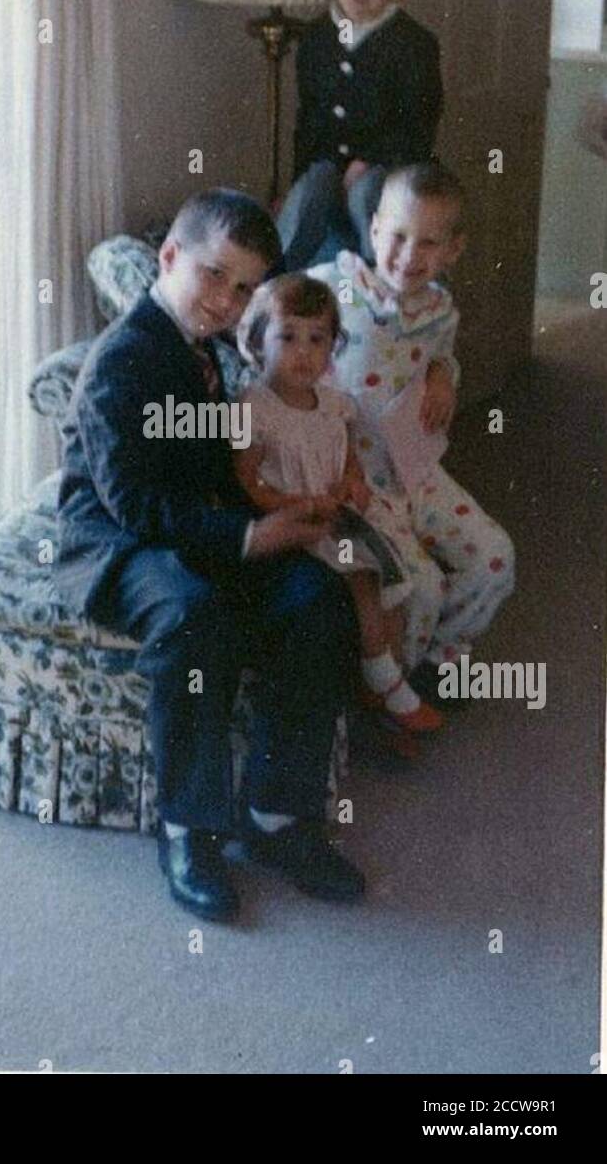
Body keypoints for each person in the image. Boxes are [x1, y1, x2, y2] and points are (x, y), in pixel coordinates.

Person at [55, 189, 365, 922]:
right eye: (214, 275)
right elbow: (135, 505)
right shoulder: (123, 361)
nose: (228, 301)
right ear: (169, 259)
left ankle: (276, 817)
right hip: (118, 542)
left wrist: (273, 514)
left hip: (202, 523)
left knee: (321, 602)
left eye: (246, 287)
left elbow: (223, 460)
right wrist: (250, 539)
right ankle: (188, 829)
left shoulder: (214, 347)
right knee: (195, 615)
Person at [310, 163, 515, 676]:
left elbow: (442, 354)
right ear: (375, 228)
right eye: (398, 236)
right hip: (357, 481)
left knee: (495, 557)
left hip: (417, 470)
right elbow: (267, 321)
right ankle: (395, 685)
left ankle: (440, 661)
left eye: (428, 243)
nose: (408, 256)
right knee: (421, 584)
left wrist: (444, 375)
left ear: (453, 251)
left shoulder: (442, 310)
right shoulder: (332, 286)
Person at [234, 272, 444, 734]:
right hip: (292, 521)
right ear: (257, 342)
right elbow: (246, 482)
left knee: (395, 580)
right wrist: (295, 502)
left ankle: (381, 677)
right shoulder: (255, 407)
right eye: (286, 337)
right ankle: (387, 684)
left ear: (333, 346)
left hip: (337, 515)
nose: (303, 352)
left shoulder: (334, 404)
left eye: (317, 339)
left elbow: (348, 459)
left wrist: (353, 483)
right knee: (363, 577)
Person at [278, 0, 443, 270]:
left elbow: (417, 126)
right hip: (326, 169)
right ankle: (279, 278)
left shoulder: (415, 46)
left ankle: (379, 282)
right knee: (310, 189)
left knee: (368, 193)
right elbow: (308, 121)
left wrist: (368, 160)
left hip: (387, 174)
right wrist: (296, 184)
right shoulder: (316, 38)